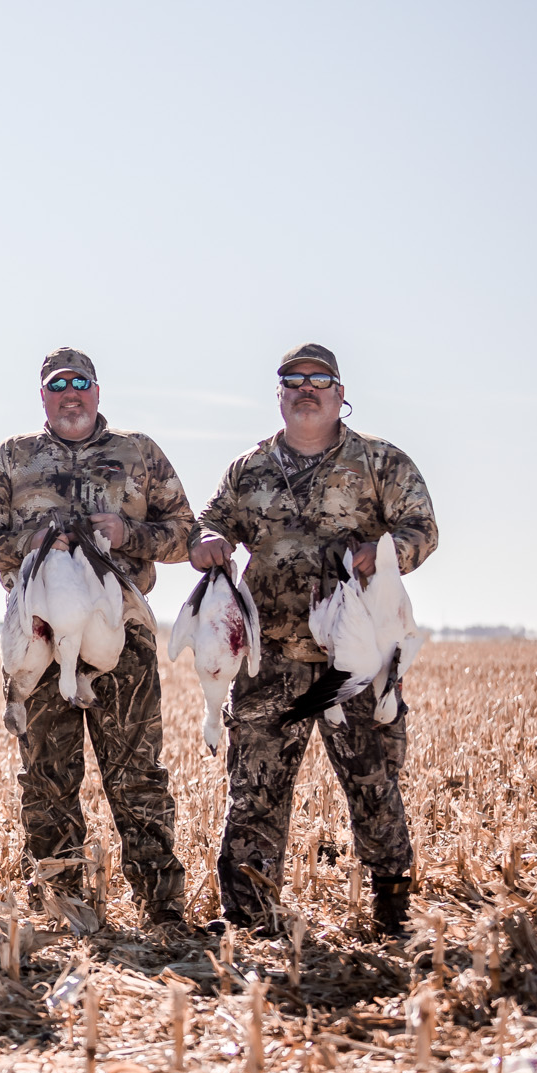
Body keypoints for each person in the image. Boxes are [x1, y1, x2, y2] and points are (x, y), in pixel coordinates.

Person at [192, 343, 437, 937]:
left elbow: (422, 529)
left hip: (355, 656)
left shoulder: (380, 461)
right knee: (253, 790)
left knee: (373, 783)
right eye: (293, 380)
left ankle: (392, 907)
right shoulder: (248, 467)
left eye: (319, 380)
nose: (307, 389)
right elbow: (212, 521)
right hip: (266, 656)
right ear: (279, 394)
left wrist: (380, 554)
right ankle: (249, 919)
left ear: (339, 392)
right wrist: (207, 541)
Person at [0, 347, 195, 930]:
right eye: (58, 383)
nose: (71, 393)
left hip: (123, 632)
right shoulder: (12, 459)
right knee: (46, 773)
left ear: (97, 390)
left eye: (81, 382)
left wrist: (129, 532)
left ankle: (162, 908)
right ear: (42, 395)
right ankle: (63, 905)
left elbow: (186, 535)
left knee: (137, 772)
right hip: (38, 641)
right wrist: (30, 542)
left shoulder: (138, 454)